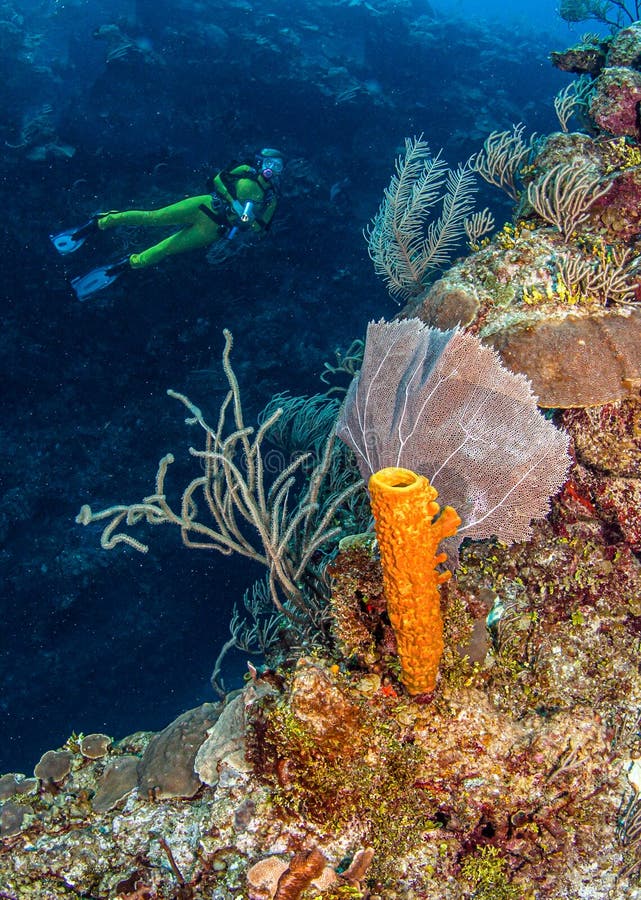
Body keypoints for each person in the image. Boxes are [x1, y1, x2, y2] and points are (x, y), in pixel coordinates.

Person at [51, 148, 284, 300]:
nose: (272, 170)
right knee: (153, 217)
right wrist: (233, 202)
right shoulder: (245, 170)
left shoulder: (270, 198)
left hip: (214, 229)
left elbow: (260, 229)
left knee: (165, 249)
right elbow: (217, 180)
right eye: (271, 163)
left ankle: (124, 266)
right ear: (263, 160)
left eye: (278, 168)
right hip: (205, 206)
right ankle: (101, 222)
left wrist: (250, 220)